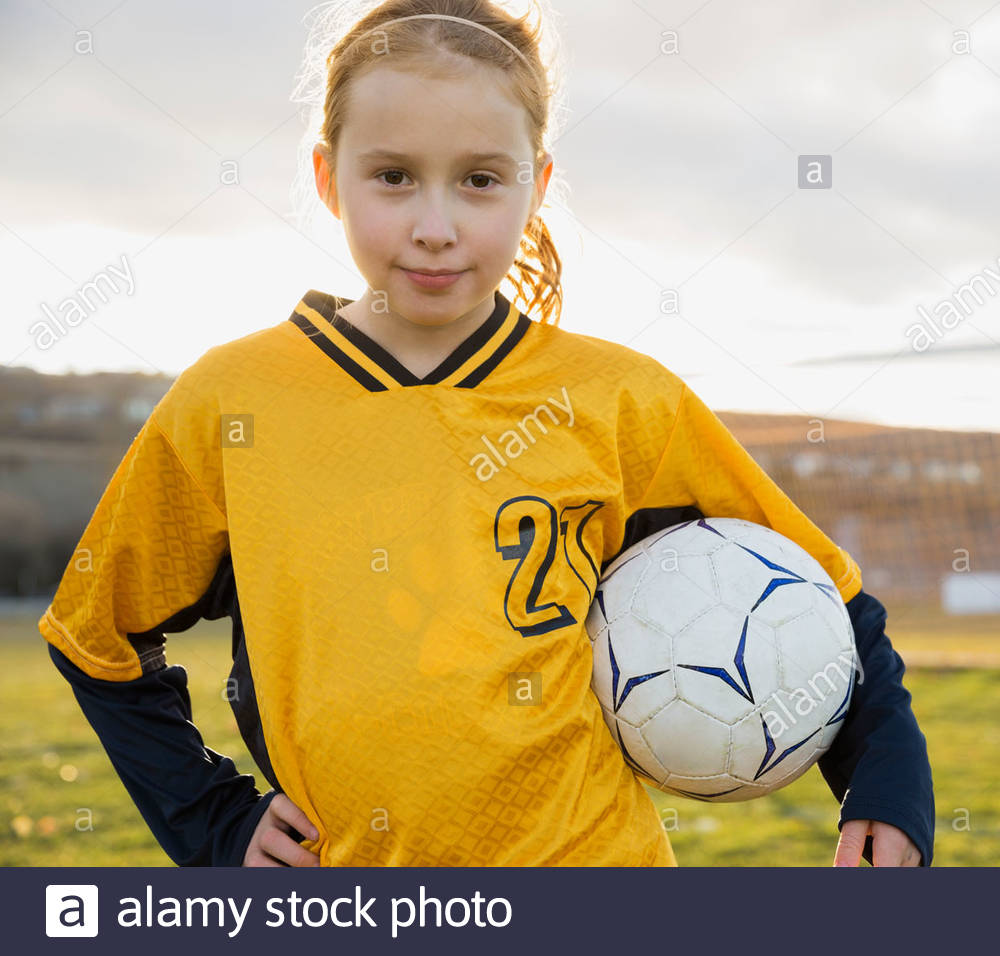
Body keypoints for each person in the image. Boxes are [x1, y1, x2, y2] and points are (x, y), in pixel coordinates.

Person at [39, 0, 934, 868]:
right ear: (325, 176)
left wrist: (886, 784)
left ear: (536, 184)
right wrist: (213, 818)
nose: (436, 228)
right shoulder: (231, 401)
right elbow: (95, 633)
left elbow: (826, 597)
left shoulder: (621, 400)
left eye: (479, 179)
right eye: (393, 177)